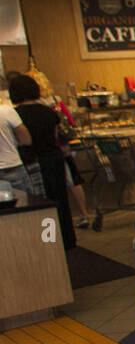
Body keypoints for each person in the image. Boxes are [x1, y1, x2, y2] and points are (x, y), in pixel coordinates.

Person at [9, 73, 74, 248]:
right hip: (54, 158)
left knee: (43, 204)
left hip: (35, 163)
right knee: (60, 199)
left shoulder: (16, 115)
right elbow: (54, 136)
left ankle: (50, 241)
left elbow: (22, 141)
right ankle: (67, 239)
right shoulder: (48, 111)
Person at [0, 88, 35, 194]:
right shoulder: (6, 111)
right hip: (11, 166)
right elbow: (26, 139)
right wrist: (12, 142)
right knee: (24, 205)